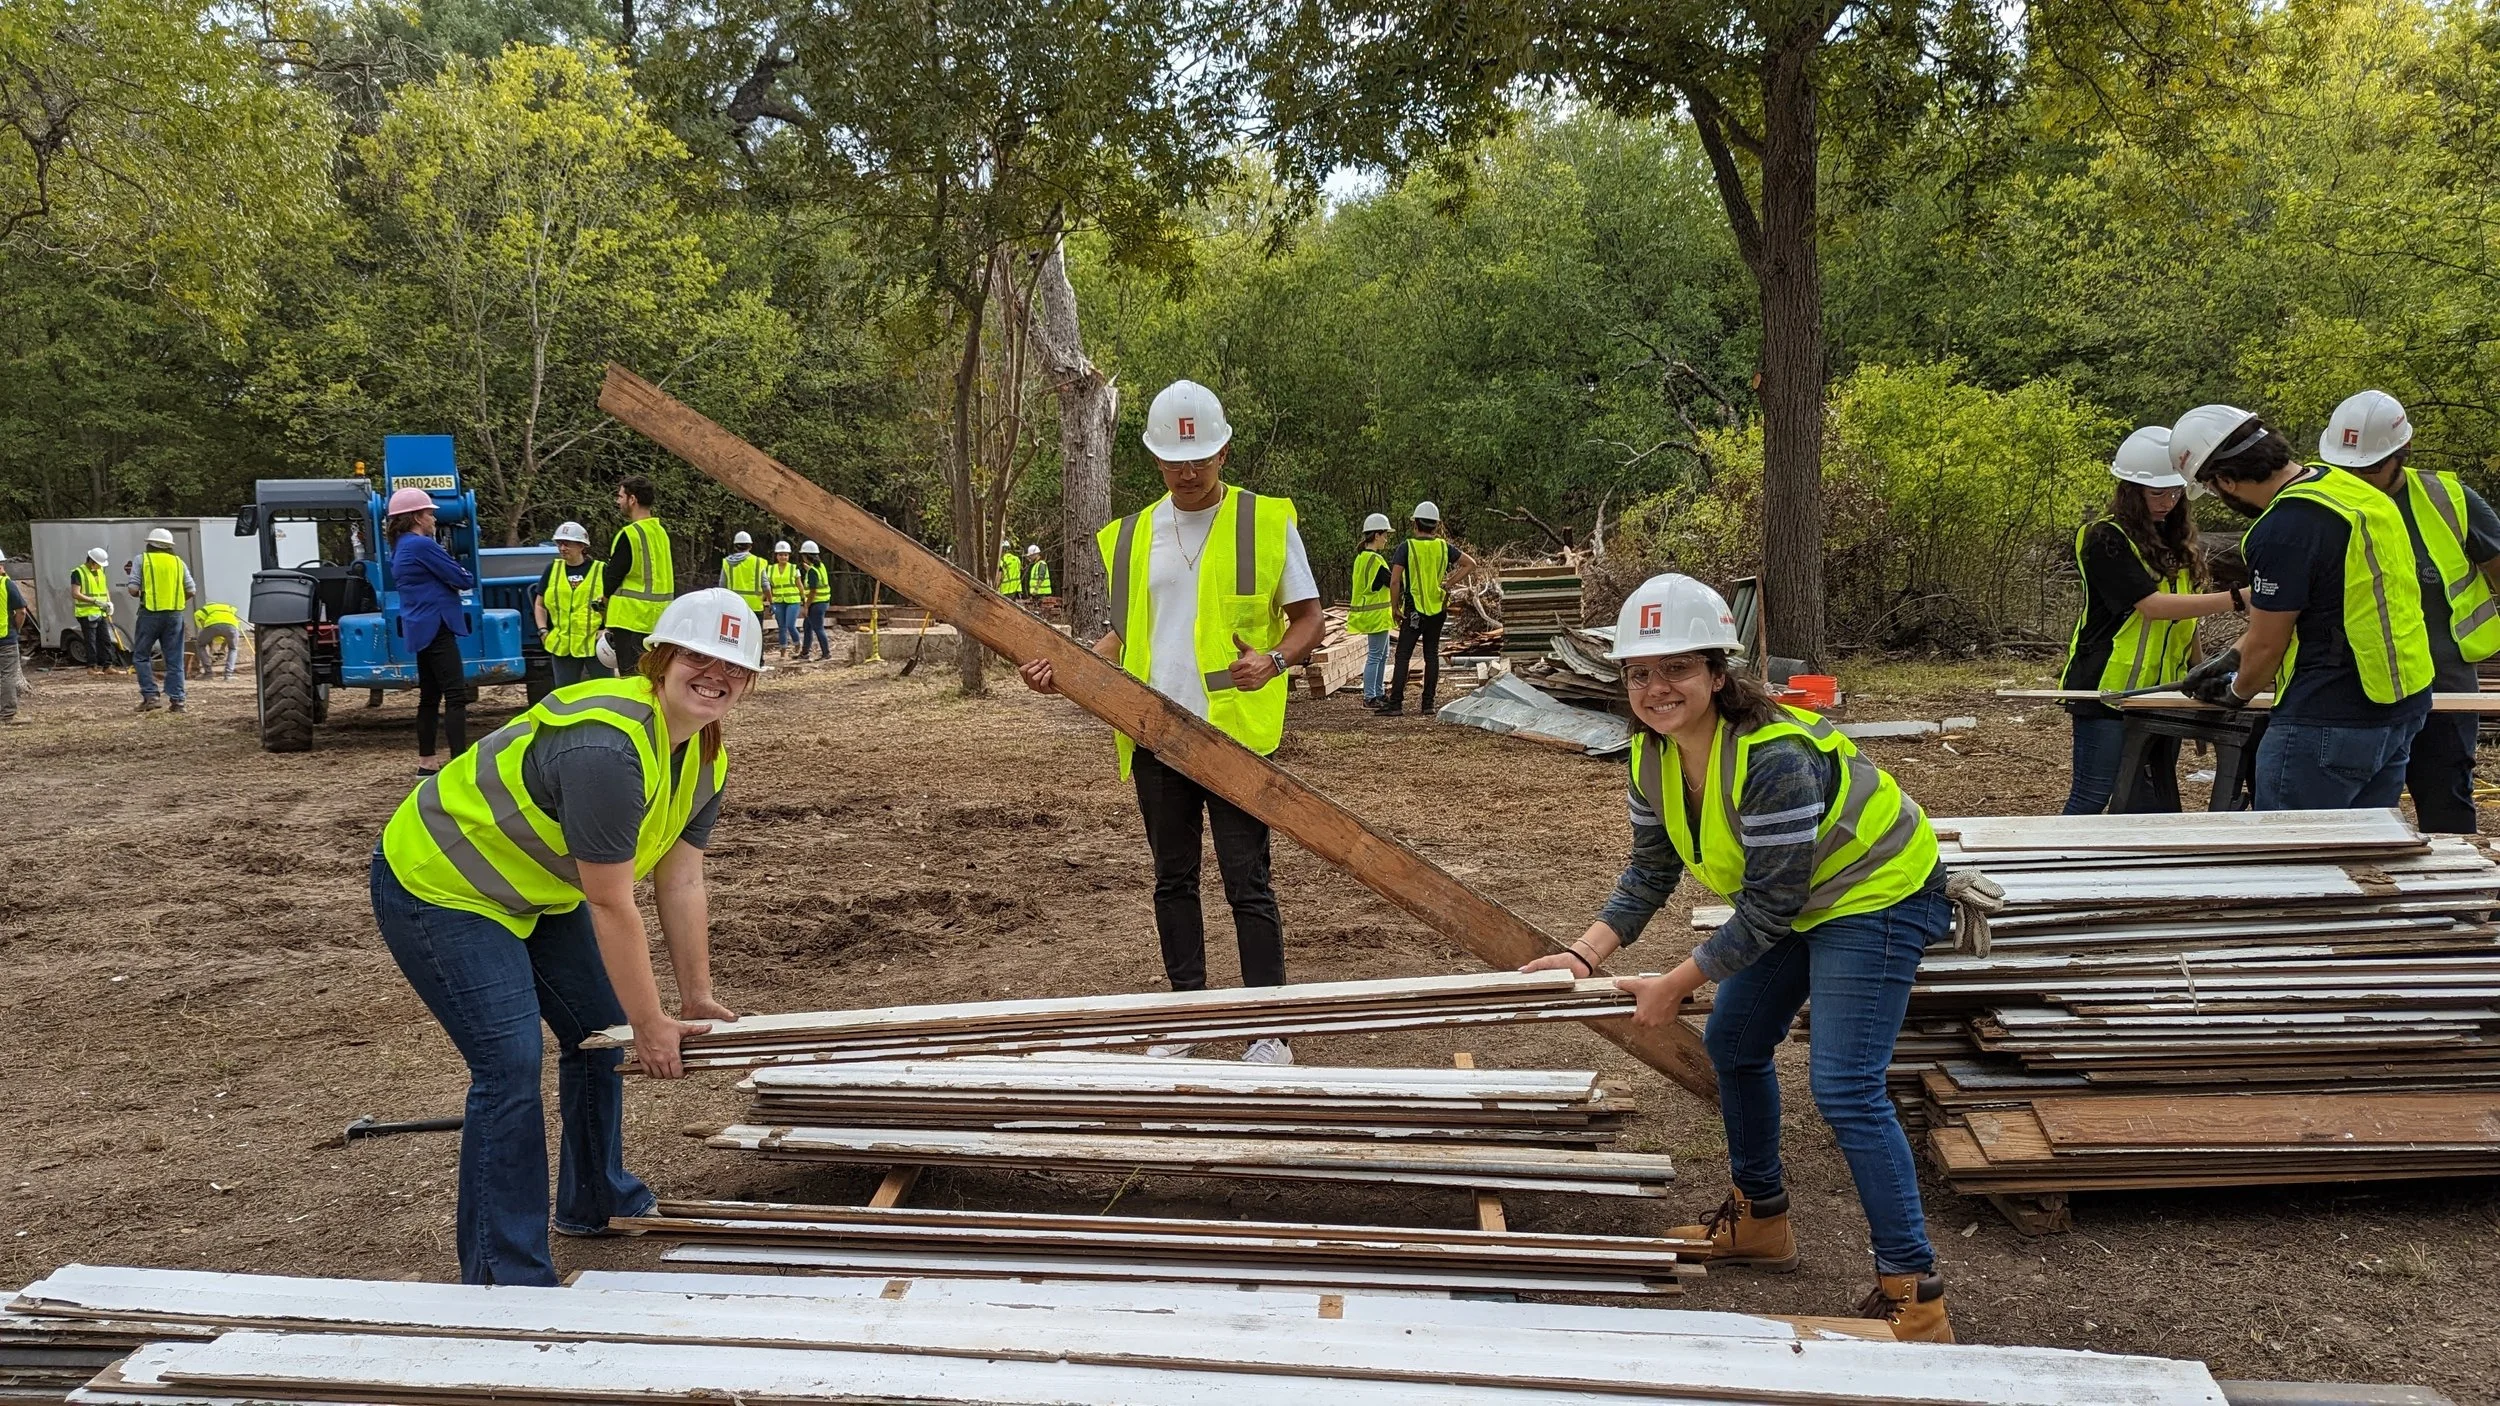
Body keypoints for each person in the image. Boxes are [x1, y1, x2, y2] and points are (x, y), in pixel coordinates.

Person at [1522, 572, 1954, 1341]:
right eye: (1640, 673)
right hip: (1801, 898)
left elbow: (1770, 909)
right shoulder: (1651, 756)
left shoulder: (1773, 756)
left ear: (1718, 674)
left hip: (1878, 893)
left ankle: (1915, 1297)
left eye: (1677, 668)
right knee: (1734, 1041)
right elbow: (1651, 871)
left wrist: (1675, 982)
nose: (1657, 688)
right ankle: (1761, 1221)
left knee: (1847, 1086)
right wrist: (1582, 956)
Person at [371, 587, 755, 1286]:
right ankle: (505, 1272)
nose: (715, 676)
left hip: (536, 890)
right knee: (509, 1065)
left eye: (733, 666)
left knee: (597, 1033)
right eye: (698, 657)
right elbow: (611, 902)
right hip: (443, 882)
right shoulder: (607, 748)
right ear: (660, 659)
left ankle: (594, 1199)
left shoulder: (704, 756)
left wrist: (694, 996)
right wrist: (650, 1023)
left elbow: (681, 881)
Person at [1018, 379, 1324, 1065]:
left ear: (1224, 452)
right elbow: (1124, 636)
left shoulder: (1266, 522)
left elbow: (1308, 619)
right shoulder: (1131, 536)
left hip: (1236, 734)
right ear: (1156, 458)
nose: (1189, 472)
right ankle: (1187, 1018)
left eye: (1201, 457)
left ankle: (1269, 1031)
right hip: (1154, 732)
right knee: (1173, 880)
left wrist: (1275, 660)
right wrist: (1062, 671)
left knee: (1248, 881)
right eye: (1175, 460)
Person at [2171, 404, 2433, 810]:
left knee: (2292, 842)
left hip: (2327, 716)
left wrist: (2236, 692)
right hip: (2402, 704)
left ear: (2225, 480)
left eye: (2212, 489)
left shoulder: (2282, 528)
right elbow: (2336, 601)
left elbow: (2268, 645)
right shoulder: (2347, 489)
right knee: (2364, 841)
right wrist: (2232, 656)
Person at [2322, 390, 2500, 832]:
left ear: (2402, 453)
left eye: (2369, 468)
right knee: (2359, 810)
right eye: (2347, 468)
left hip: (2444, 682)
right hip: (2357, 682)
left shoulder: (2448, 499)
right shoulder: (2320, 501)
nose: (2357, 478)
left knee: (2446, 797)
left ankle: (2454, 877)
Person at [2056, 427, 2244, 814]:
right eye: (2157, 493)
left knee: (2149, 802)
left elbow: (2185, 619)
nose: (2168, 502)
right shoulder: (2104, 537)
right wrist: (2238, 598)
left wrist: (2199, 675)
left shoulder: (2175, 542)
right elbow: (2153, 606)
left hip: (2162, 694)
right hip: (2107, 691)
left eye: (2175, 493)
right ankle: (2059, 853)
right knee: (2092, 796)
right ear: (2131, 491)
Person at [388, 488, 475, 775]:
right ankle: (460, 764)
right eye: (429, 513)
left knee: (429, 697)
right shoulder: (421, 546)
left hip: (419, 628)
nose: (434, 519)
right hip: (438, 626)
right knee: (456, 695)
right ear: (416, 517)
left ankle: (427, 763)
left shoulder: (400, 547)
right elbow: (463, 579)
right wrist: (454, 579)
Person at [1377, 501, 1476, 716]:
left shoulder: (1407, 547)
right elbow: (1470, 564)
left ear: (1415, 524)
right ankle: (1428, 704)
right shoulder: (1443, 547)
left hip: (1414, 609)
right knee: (1431, 655)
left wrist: (1394, 607)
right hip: (1437, 609)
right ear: (1436, 525)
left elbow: (1395, 581)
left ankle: (1396, 704)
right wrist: (1449, 583)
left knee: (1403, 655)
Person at [604, 475, 673, 676]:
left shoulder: (630, 534)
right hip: (659, 621)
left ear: (632, 499)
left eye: (620, 496)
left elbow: (613, 577)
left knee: (631, 680)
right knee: (652, 680)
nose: (618, 501)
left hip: (630, 620)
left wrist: (604, 601)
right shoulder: (660, 533)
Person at [126, 528, 194, 714]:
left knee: (141, 656)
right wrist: (176, 601)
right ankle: (178, 701)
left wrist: (145, 594)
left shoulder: (142, 560)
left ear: (150, 544)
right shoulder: (178, 562)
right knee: (174, 659)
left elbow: (133, 589)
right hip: (174, 615)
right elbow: (191, 590)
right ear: (169, 546)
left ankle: (151, 696)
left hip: (150, 613)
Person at [537, 521, 609, 689]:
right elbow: (540, 605)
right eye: (559, 544)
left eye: (567, 544)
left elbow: (614, 604)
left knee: (604, 691)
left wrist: (608, 630)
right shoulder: (552, 570)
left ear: (582, 546)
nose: (562, 548)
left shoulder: (600, 570)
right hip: (563, 646)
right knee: (565, 695)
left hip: (595, 644)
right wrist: (542, 630)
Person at [1349, 513, 1396, 705]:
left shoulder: (1361, 558)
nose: (1386, 539)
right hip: (1376, 615)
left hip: (1372, 614)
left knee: (1382, 655)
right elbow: (1391, 581)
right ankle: (1370, 696)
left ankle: (1378, 692)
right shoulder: (1375, 560)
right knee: (1376, 656)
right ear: (1376, 535)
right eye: (1385, 535)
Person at [72, 547, 115, 674]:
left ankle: (107, 666)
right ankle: (92, 667)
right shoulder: (78, 572)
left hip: (101, 611)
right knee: (91, 641)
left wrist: (109, 603)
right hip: (86, 613)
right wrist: (94, 601)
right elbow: (75, 593)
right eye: (99, 564)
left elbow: (104, 589)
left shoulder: (100, 571)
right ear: (92, 561)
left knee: (105, 639)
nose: (100, 566)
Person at [796, 541, 835, 662]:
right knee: (807, 626)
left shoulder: (812, 571)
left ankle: (826, 653)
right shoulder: (820, 566)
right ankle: (805, 652)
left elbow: (813, 591)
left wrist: (806, 606)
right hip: (822, 601)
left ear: (806, 556)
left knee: (818, 628)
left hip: (816, 603)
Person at [0, 548, 25, 725]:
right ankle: (8, 713)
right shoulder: (6, 584)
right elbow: (21, 611)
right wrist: (17, 628)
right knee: (7, 676)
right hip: (5, 638)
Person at [765, 541, 802, 660]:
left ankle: (797, 644)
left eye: (785, 555)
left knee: (790, 625)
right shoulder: (771, 569)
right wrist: (768, 600)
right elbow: (767, 586)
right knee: (781, 627)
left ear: (789, 556)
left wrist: (804, 598)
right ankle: (783, 651)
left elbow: (799, 585)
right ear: (777, 556)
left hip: (793, 600)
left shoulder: (793, 568)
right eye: (781, 555)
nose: (783, 557)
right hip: (778, 601)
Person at [719, 531, 767, 623]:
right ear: (750, 546)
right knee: (755, 632)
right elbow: (765, 585)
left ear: (735, 547)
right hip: (754, 606)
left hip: (734, 605)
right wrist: (771, 602)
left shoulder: (727, 562)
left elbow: (722, 585)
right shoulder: (758, 562)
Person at [190, 600, 245, 680]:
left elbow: (203, 625)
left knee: (200, 645)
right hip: (232, 626)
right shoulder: (228, 608)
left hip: (212, 625)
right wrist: (223, 647)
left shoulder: (204, 609)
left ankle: (208, 673)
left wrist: (211, 646)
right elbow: (227, 626)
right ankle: (228, 675)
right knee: (233, 649)